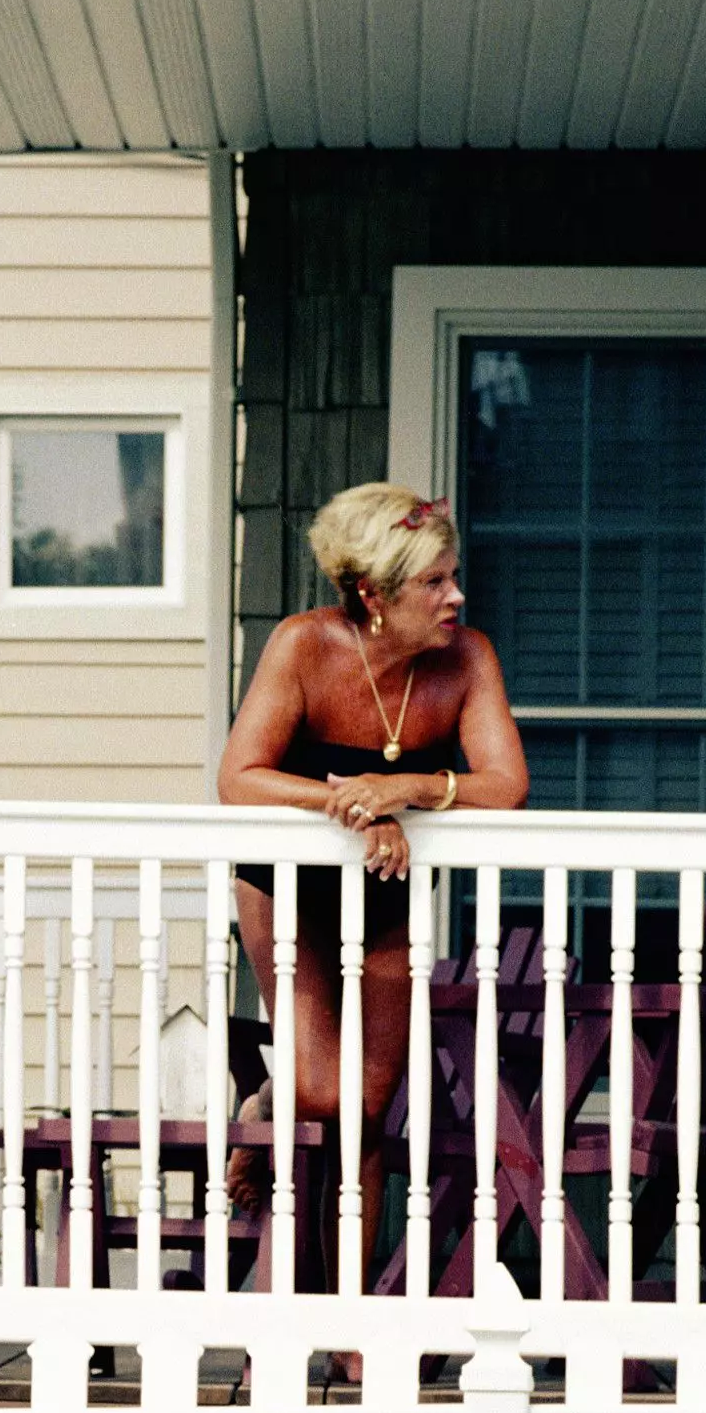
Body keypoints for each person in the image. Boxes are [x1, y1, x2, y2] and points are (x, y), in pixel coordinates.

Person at [213, 483, 533, 1228]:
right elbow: (239, 776)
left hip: (388, 885)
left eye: (452, 575)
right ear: (373, 593)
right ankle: (272, 1100)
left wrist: (404, 789)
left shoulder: (468, 657)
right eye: (433, 581)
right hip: (285, 884)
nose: (455, 595)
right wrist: (355, 808)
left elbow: (506, 784)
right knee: (320, 1094)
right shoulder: (302, 642)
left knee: (363, 1109)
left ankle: (354, 1337)